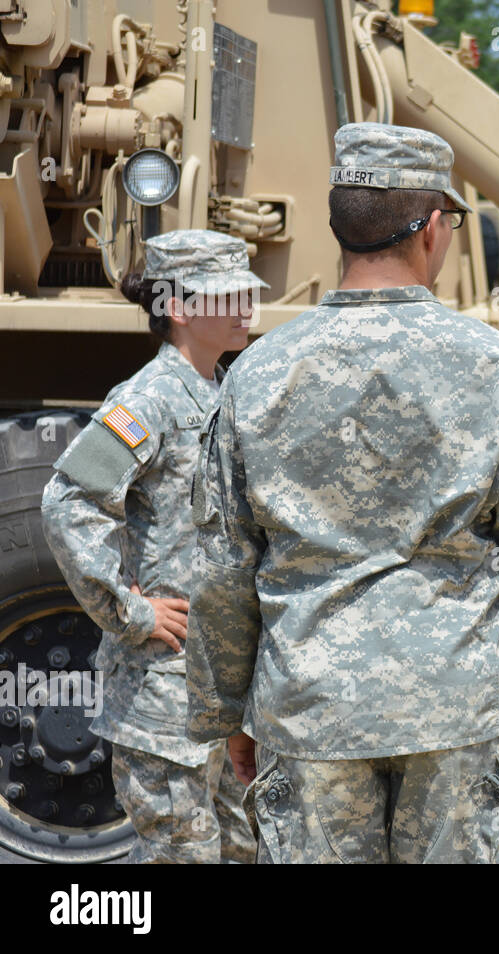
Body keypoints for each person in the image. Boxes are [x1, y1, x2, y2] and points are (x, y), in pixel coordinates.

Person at [184, 121, 499, 864]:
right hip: (464, 709)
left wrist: (228, 711)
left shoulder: (253, 375)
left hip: (309, 715)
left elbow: (224, 565)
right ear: (434, 229)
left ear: (339, 227)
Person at [41, 229, 264, 863]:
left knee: (241, 851)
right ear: (179, 306)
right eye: (228, 294)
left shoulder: (224, 389)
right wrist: (130, 611)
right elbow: (70, 502)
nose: (246, 306)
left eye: (247, 291)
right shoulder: (146, 399)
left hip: (221, 687)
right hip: (162, 697)